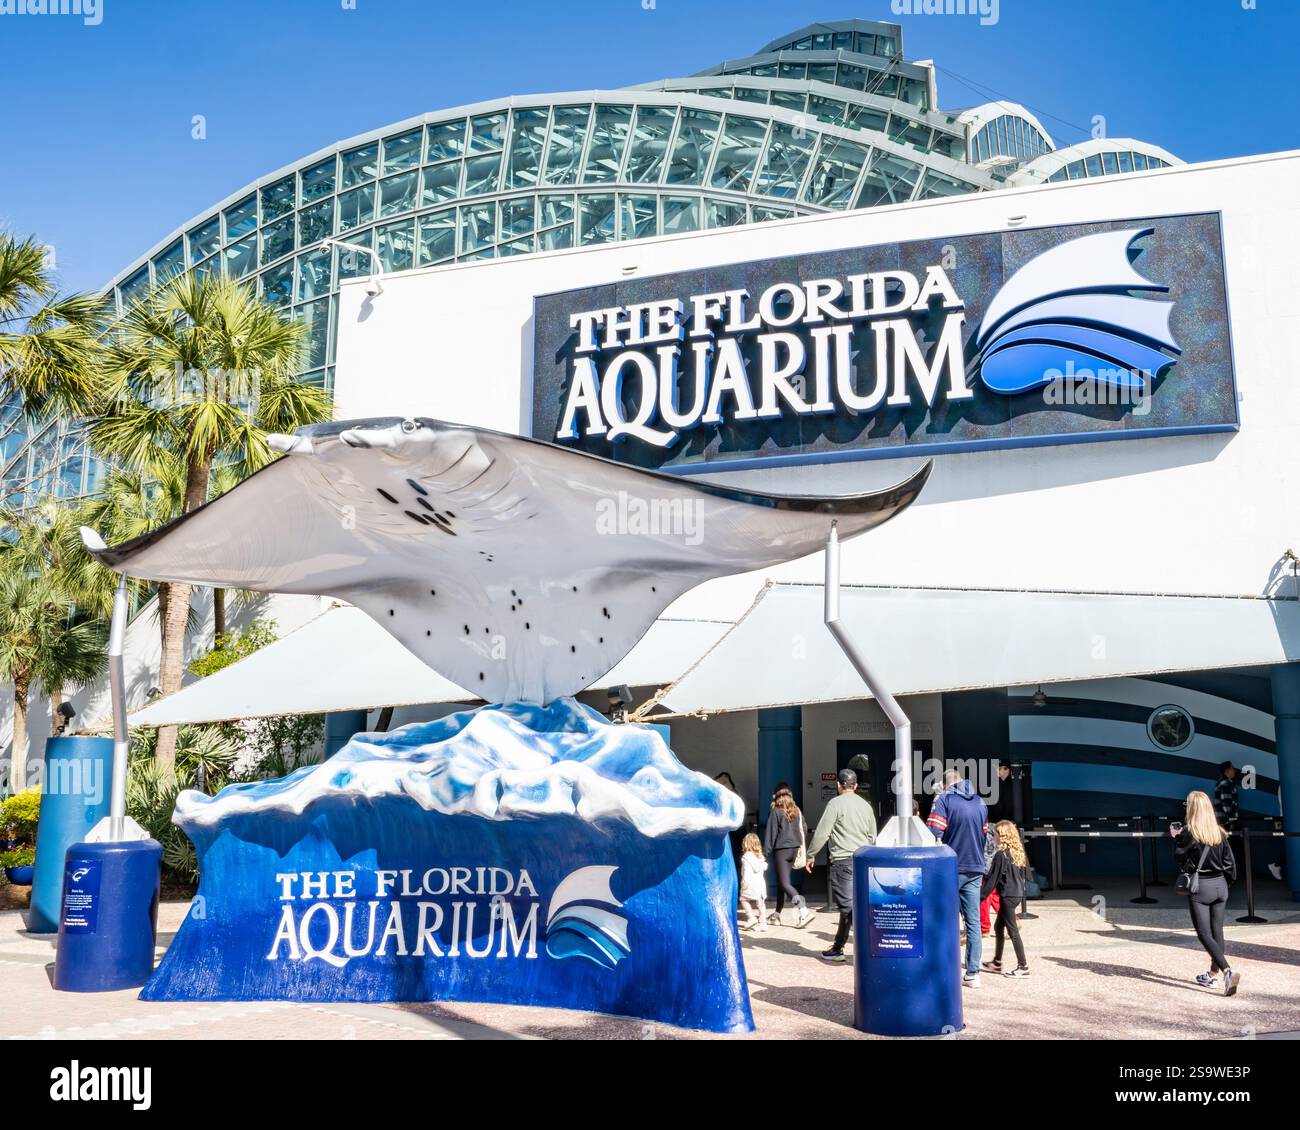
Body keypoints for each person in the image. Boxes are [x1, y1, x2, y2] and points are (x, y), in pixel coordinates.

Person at [1172, 791, 1241, 995]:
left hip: (1200, 886)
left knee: (1204, 933)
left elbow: (1179, 860)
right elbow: (1230, 864)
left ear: (1191, 809)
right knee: (1217, 931)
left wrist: (1176, 839)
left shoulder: (1188, 832)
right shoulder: (1219, 832)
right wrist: (1226, 884)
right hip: (1221, 885)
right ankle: (1211, 975)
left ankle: (1228, 971)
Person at [806, 768, 877, 963]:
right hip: (863, 860)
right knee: (852, 905)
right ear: (855, 786)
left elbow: (823, 832)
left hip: (843, 860)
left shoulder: (835, 804)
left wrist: (810, 854)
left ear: (839, 785)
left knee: (847, 906)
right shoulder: (866, 806)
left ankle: (872, 945)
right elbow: (873, 836)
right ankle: (838, 946)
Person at [927, 768, 990, 987]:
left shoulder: (944, 800)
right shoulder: (981, 802)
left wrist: (935, 802)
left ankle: (944, 967)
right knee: (973, 923)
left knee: (945, 920)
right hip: (975, 867)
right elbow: (984, 833)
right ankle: (973, 973)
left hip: (950, 868)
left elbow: (933, 833)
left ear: (945, 785)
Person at [980, 821, 1030, 976]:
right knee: (998, 927)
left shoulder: (1001, 855)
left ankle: (1023, 967)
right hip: (1016, 894)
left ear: (1002, 836)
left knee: (1013, 932)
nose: (994, 837)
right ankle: (996, 962)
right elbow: (1024, 875)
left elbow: (992, 880)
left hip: (1007, 895)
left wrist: (980, 896)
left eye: (995, 835)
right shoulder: (1017, 852)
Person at [764, 785, 816, 927]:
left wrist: (764, 853)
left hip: (781, 850)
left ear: (776, 797)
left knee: (785, 884)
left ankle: (804, 910)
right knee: (782, 882)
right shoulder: (796, 810)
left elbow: (771, 834)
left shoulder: (775, 811)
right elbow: (803, 829)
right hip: (794, 849)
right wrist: (796, 842)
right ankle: (777, 914)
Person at [738, 833, 769, 932]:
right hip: (760, 883)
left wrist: (744, 883)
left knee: (743, 899)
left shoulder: (746, 857)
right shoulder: (760, 857)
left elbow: (747, 871)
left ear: (746, 844)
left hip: (750, 883)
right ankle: (763, 924)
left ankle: (751, 917)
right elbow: (764, 867)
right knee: (761, 904)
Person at [1213, 762, 1239, 830]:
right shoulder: (1226, 784)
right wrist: (1232, 820)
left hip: (1221, 821)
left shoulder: (1223, 782)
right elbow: (1226, 805)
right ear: (1227, 771)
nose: (1234, 770)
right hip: (1225, 822)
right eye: (1232, 768)